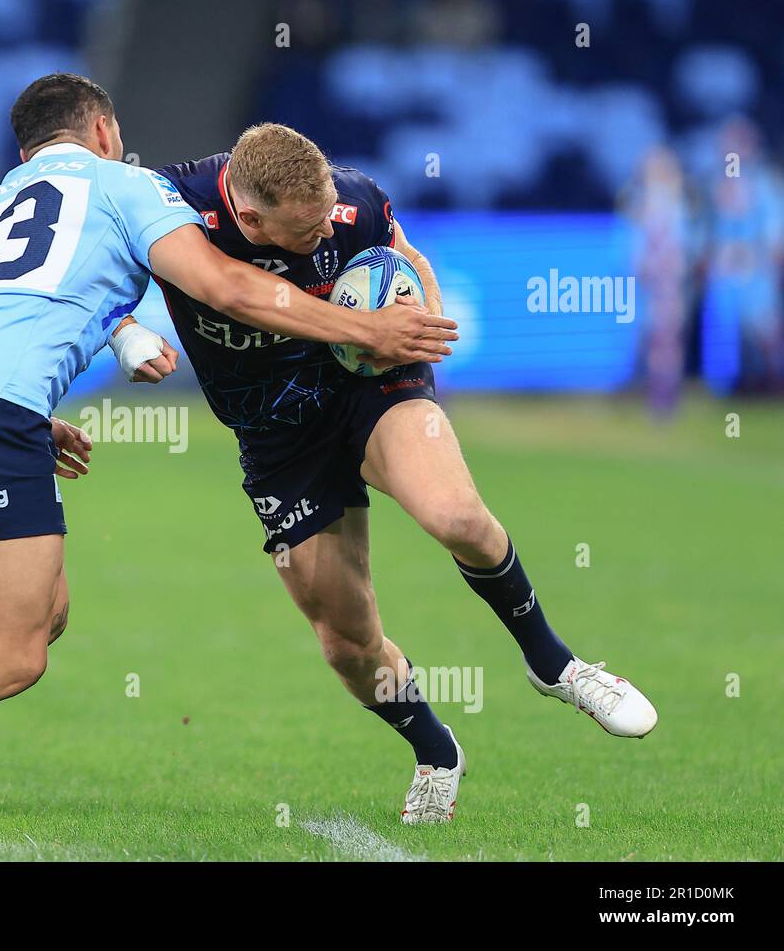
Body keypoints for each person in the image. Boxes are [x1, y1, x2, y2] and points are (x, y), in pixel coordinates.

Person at [0, 77, 457, 841]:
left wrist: (33, 414)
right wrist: (366, 332)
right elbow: (224, 284)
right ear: (102, 127)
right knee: (11, 651)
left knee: (41, 618)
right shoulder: (124, 185)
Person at [132, 124, 657, 823]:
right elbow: (192, 285)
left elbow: (406, 257)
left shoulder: (351, 202)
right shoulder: (172, 205)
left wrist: (423, 317)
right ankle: (437, 752)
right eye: (306, 228)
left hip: (371, 381)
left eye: (328, 218)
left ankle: (557, 665)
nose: (325, 236)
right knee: (347, 642)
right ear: (251, 218)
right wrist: (120, 327)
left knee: (457, 517)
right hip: (277, 437)